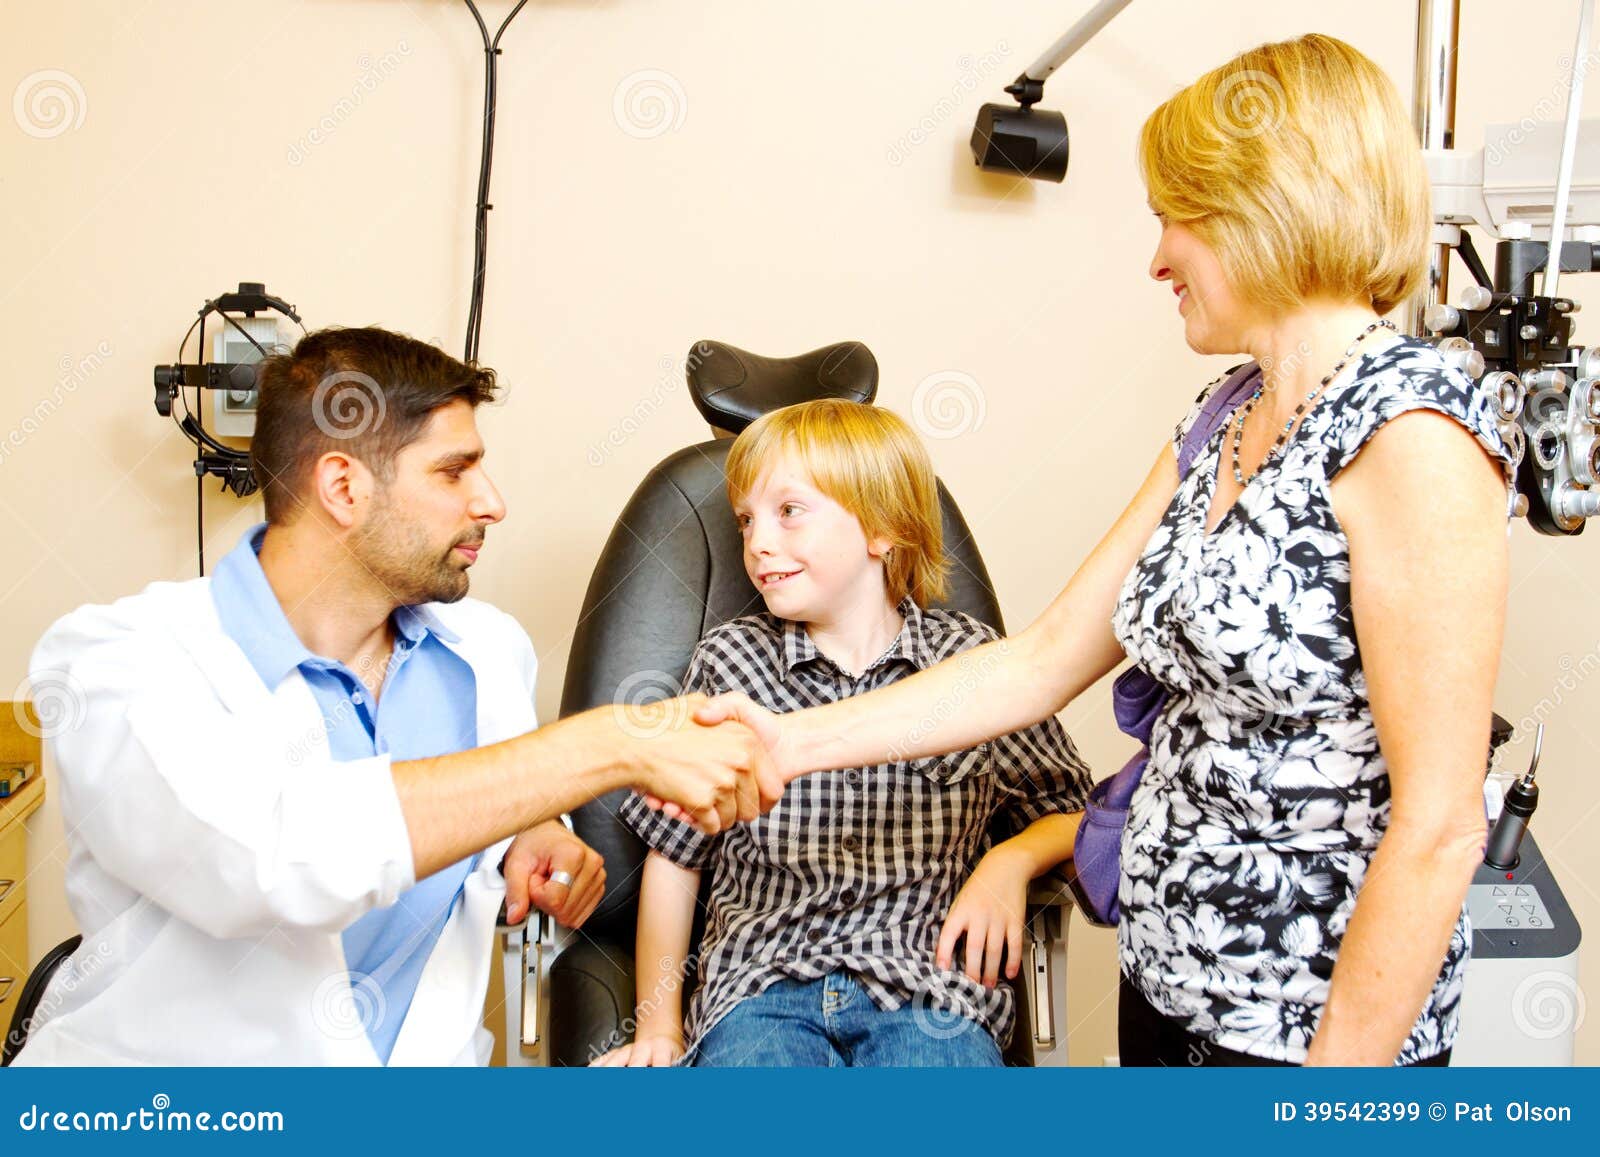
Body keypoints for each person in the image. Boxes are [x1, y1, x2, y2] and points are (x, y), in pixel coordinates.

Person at [695, 35, 1515, 1067]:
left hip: (1304, 1032)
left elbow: (1439, 824)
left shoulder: (1412, 433)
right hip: (1168, 983)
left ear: (1266, 206)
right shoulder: (1225, 415)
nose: (1156, 256)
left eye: (1177, 218)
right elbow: (1039, 660)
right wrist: (783, 741)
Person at [14, 327, 778, 1066]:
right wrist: (611, 744)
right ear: (344, 486)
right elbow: (270, 855)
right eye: (454, 471)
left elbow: (488, 796)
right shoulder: (118, 662)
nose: (493, 501)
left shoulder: (482, 651)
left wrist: (534, 837)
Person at [591, 400, 1092, 1068]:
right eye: (745, 520)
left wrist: (1011, 861)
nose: (758, 542)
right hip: (761, 990)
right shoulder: (730, 663)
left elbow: (1077, 814)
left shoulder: (974, 667)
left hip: (931, 994)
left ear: (881, 527)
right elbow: (675, 856)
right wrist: (660, 1028)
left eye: (788, 511)